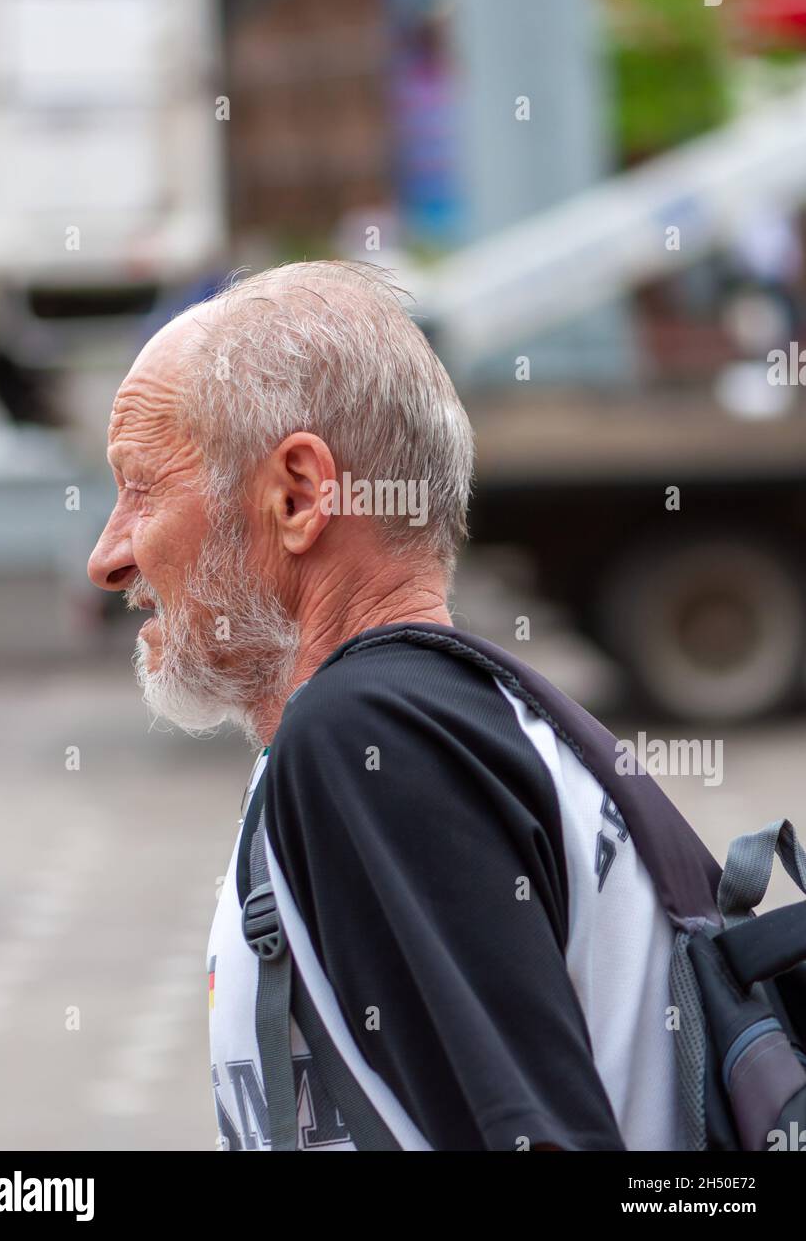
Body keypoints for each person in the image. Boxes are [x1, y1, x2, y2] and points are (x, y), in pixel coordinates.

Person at [88, 260, 682, 1151]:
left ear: (297, 495)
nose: (108, 557)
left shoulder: (371, 736)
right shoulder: (456, 718)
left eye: (142, 487)